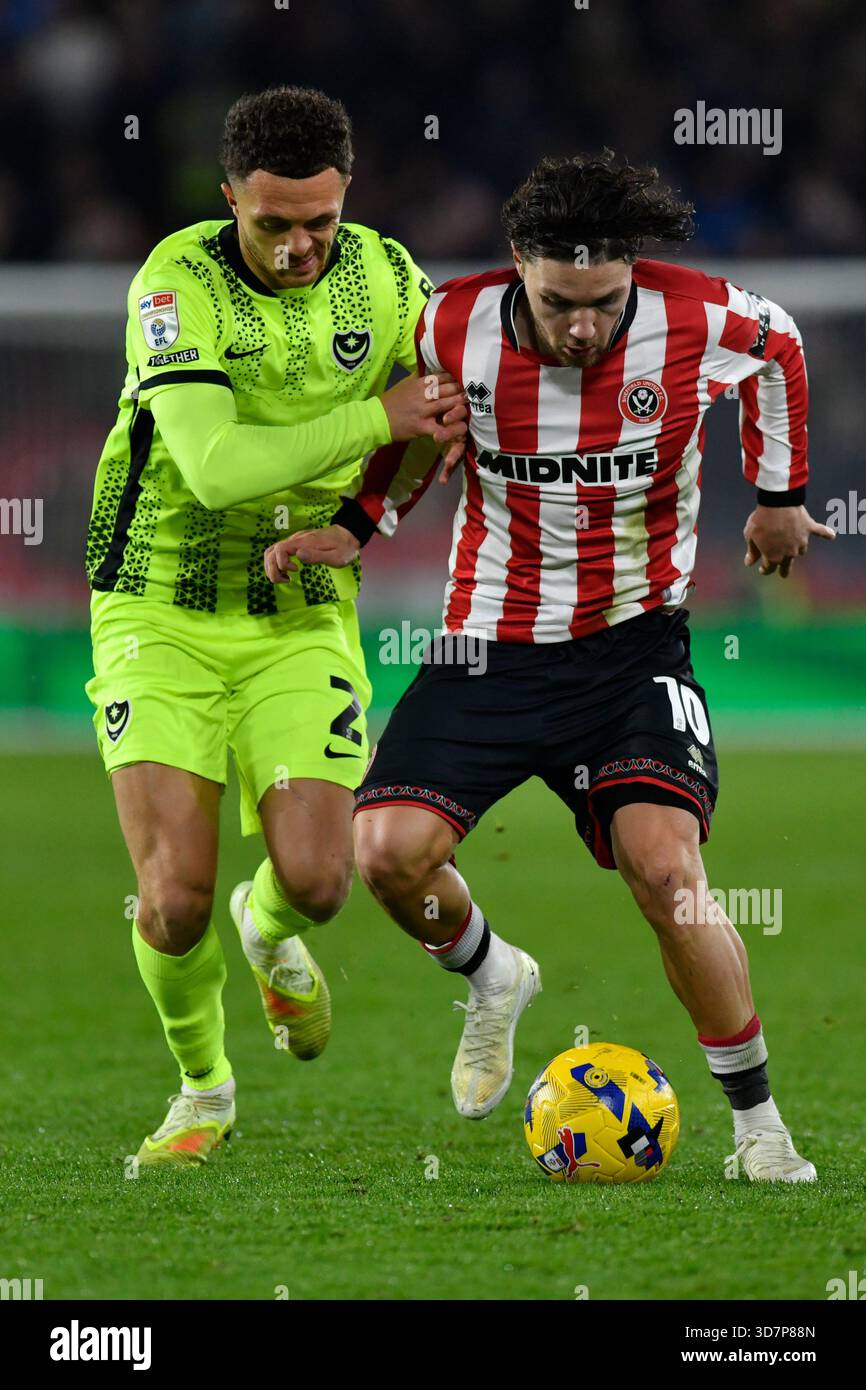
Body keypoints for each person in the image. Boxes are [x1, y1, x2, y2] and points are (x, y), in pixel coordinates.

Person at [266, 152, 834, 1182]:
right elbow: (415, 432)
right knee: (386, 853)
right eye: (561, 303)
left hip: (632, 650)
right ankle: (493, 975)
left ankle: (759, 1129)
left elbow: (781, 346)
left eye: (604, 303)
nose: (583, 326)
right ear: (518, 262)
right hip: (487, 644)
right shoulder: (448, 322)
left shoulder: (697, 318)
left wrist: (777, 492)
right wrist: (358, 522)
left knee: (666, 875)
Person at [84, 85, 466, 1165]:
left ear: (347, 199)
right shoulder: (176, 282)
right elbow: (213, 470)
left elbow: (443, 416)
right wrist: (378, 416)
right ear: (227, 201)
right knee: (169, 901)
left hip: (297, 608)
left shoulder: (389, 278)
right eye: (272, 224)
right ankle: (203, 1088)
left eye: (320, 223)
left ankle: (270, 933)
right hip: (158, 606)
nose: (300, 248)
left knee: (315, 883)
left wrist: (360, 514)